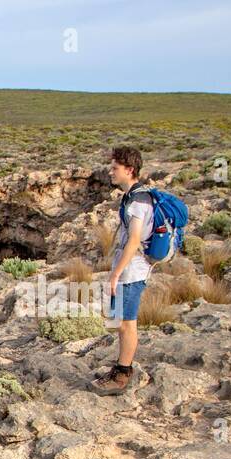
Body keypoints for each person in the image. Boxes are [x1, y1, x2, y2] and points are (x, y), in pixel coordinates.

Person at [94, 145, 153, 394]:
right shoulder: (131, 197)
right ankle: (120, 366)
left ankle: (123, 375)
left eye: (115, 168)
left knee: (127, 323)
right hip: (126, 269)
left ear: (129, 170)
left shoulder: (138, 201)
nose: (111, 172)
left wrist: (116, 273)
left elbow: (135, 240)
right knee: (118, 321)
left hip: (132, 272)